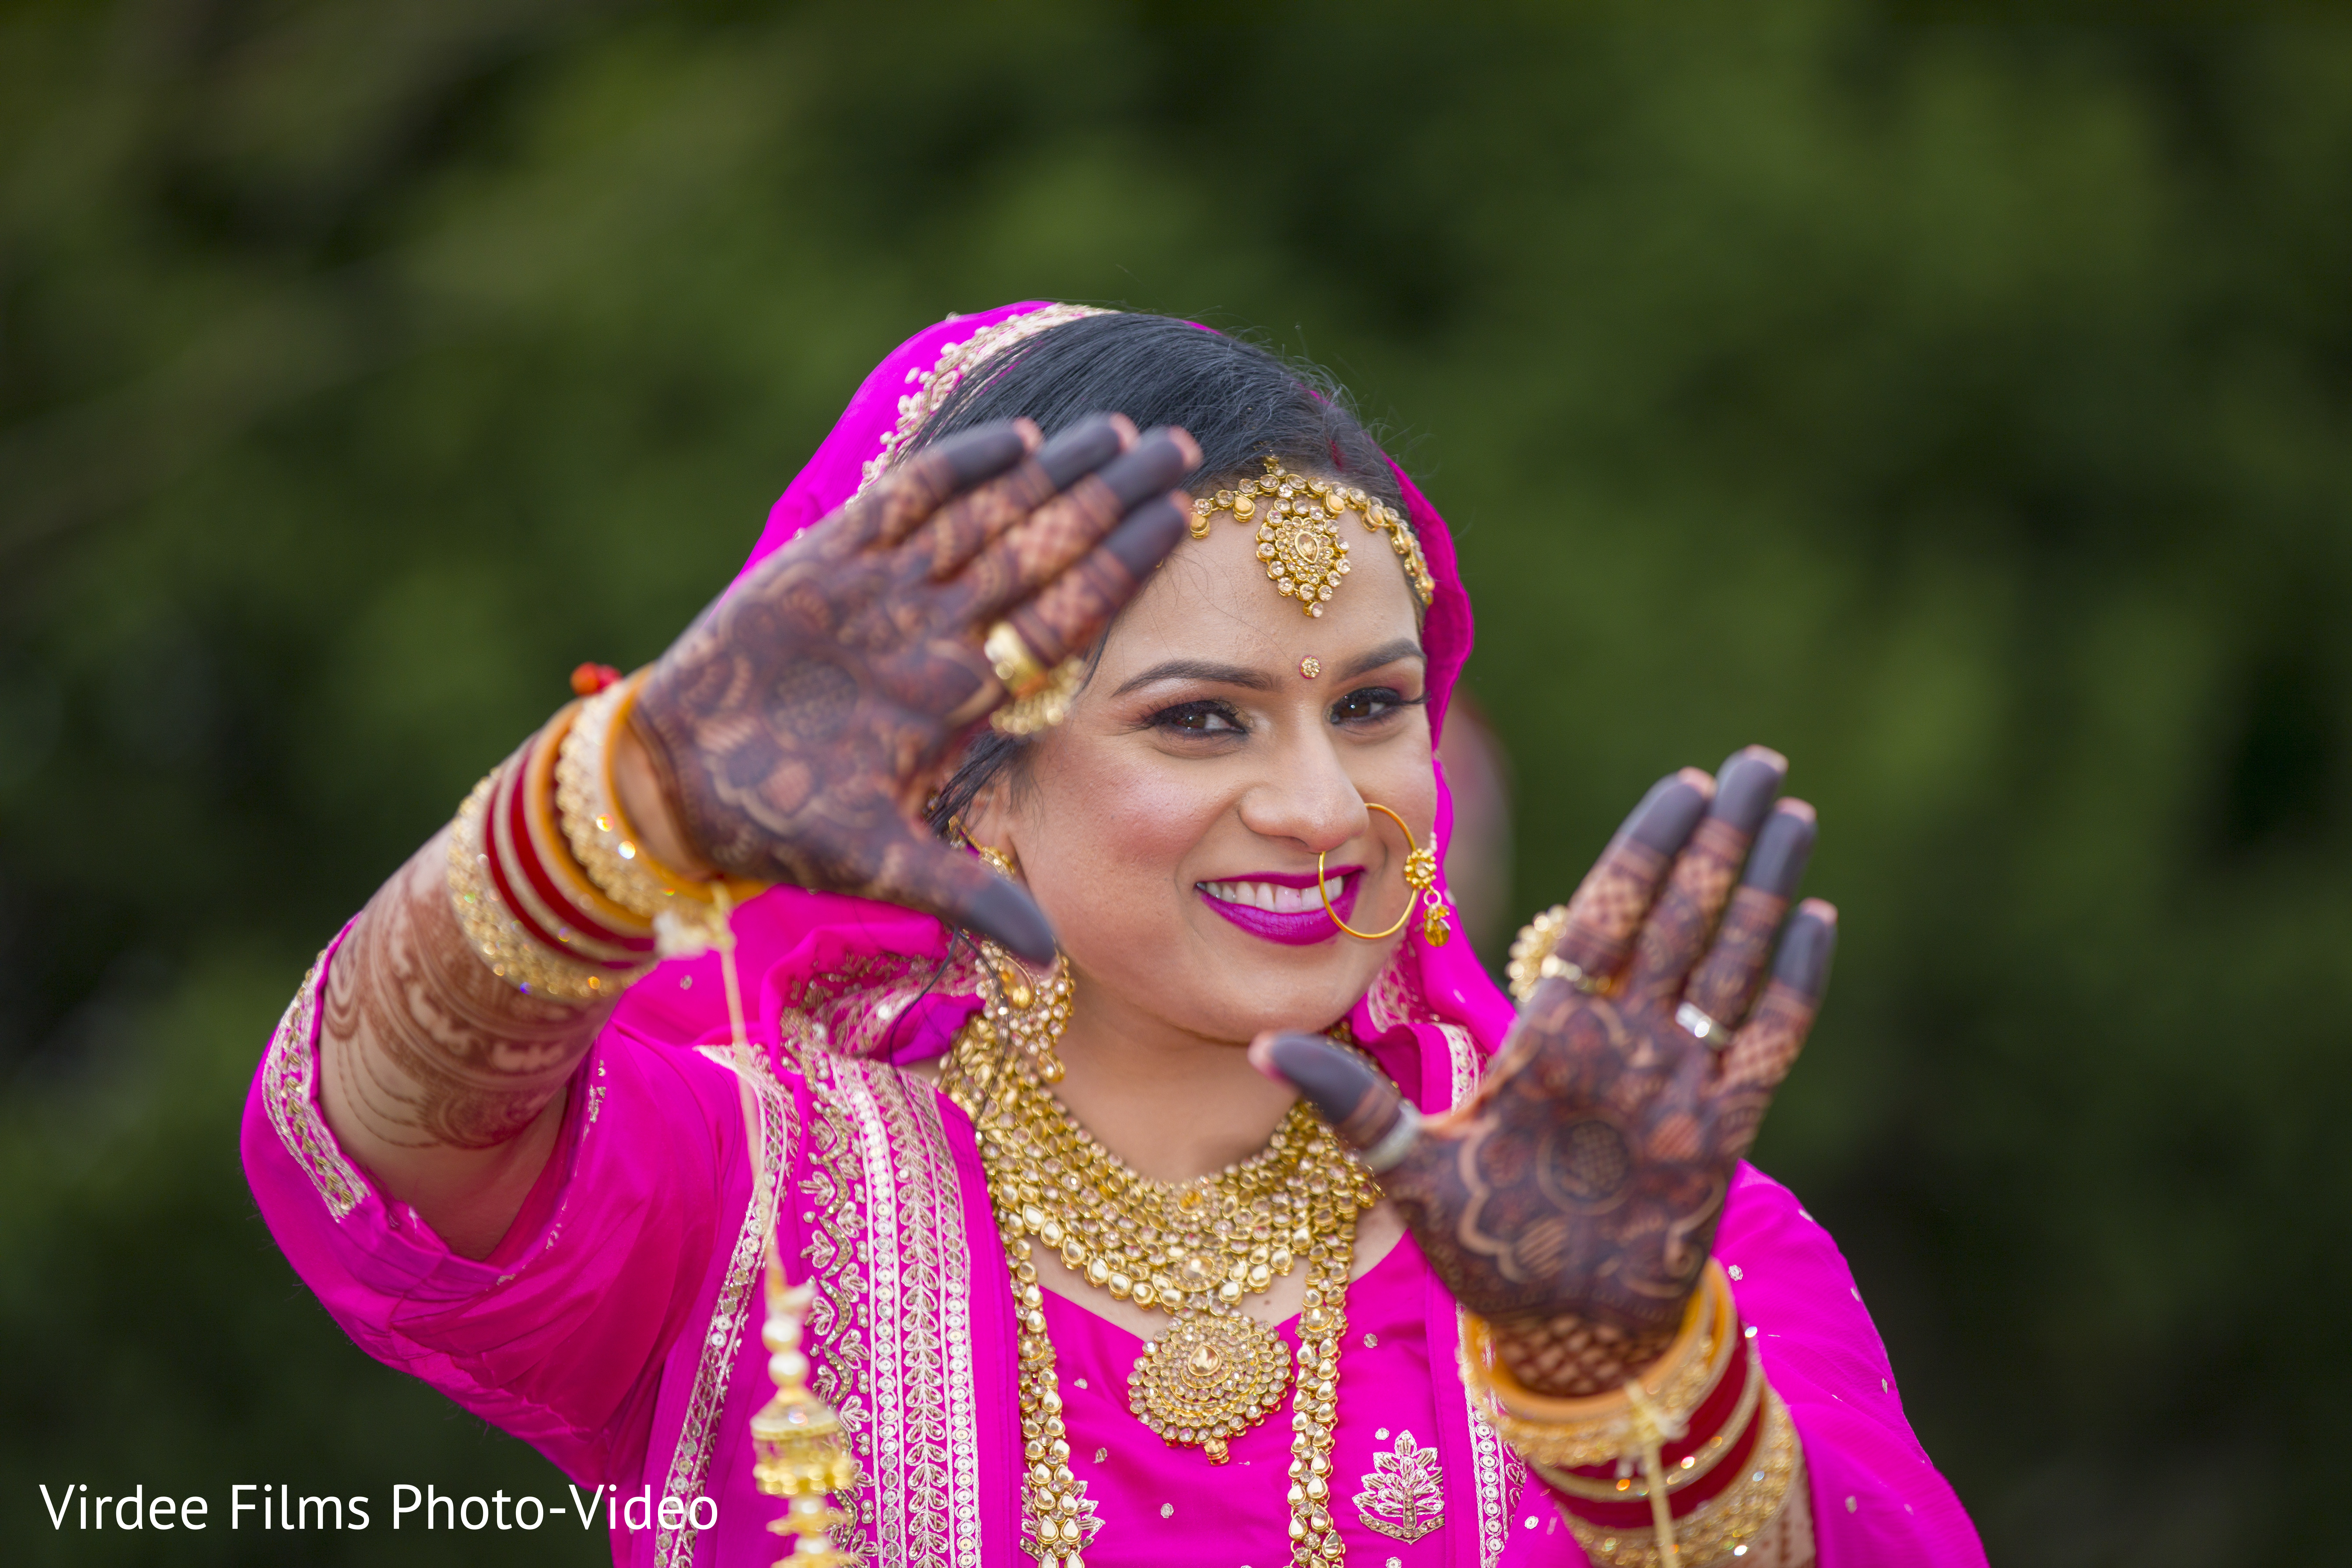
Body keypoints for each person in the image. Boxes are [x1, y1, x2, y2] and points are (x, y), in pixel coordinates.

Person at [243, 302, 1984, 1567]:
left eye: (1372, 707)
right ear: (969, 783)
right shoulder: (764, 1207)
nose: (1325, 806)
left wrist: (1640, 1404)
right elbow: (361, 1139)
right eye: (1202, 720)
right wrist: (616, 805)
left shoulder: (1638, 1241)